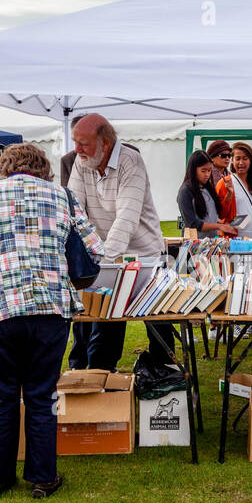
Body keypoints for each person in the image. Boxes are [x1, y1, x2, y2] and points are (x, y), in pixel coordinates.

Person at [0, 143, 103, 499]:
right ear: (43, 168)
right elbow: (96, 250)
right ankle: (43, 478)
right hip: (50, 309)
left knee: (1, 396)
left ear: (4, 167)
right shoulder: (63, 196)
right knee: (42, 395)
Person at [66, 113, 173, 371]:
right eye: (75, 142)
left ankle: (165, 375)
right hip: (106, 255)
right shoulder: (83, 162)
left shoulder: (130, 161)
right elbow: (74, 211)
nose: (77, 149)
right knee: (105, 321)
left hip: (145, 255)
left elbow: (126, 219)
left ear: (105, 143)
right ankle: (100, 377)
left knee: (157, 320)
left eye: (84, 143)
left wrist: (100, 263)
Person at [216, 142, 252, 239]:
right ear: (232, 161)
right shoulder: (224, 183)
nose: (241, 163)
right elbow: (220, 215)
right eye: (237, 159)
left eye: (245, 158)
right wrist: (229, 195)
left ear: (251, 160)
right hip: (235, 239)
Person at [177, 150, 239, 238]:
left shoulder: (208, 188)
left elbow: (212, 215)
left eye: (209, 170)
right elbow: (192, 223)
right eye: (203, 171)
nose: (207, 174)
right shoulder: (185, 191)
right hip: (194, 246)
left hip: (210, 244)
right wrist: (219, 226)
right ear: (193, 170)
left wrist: (229, 193)